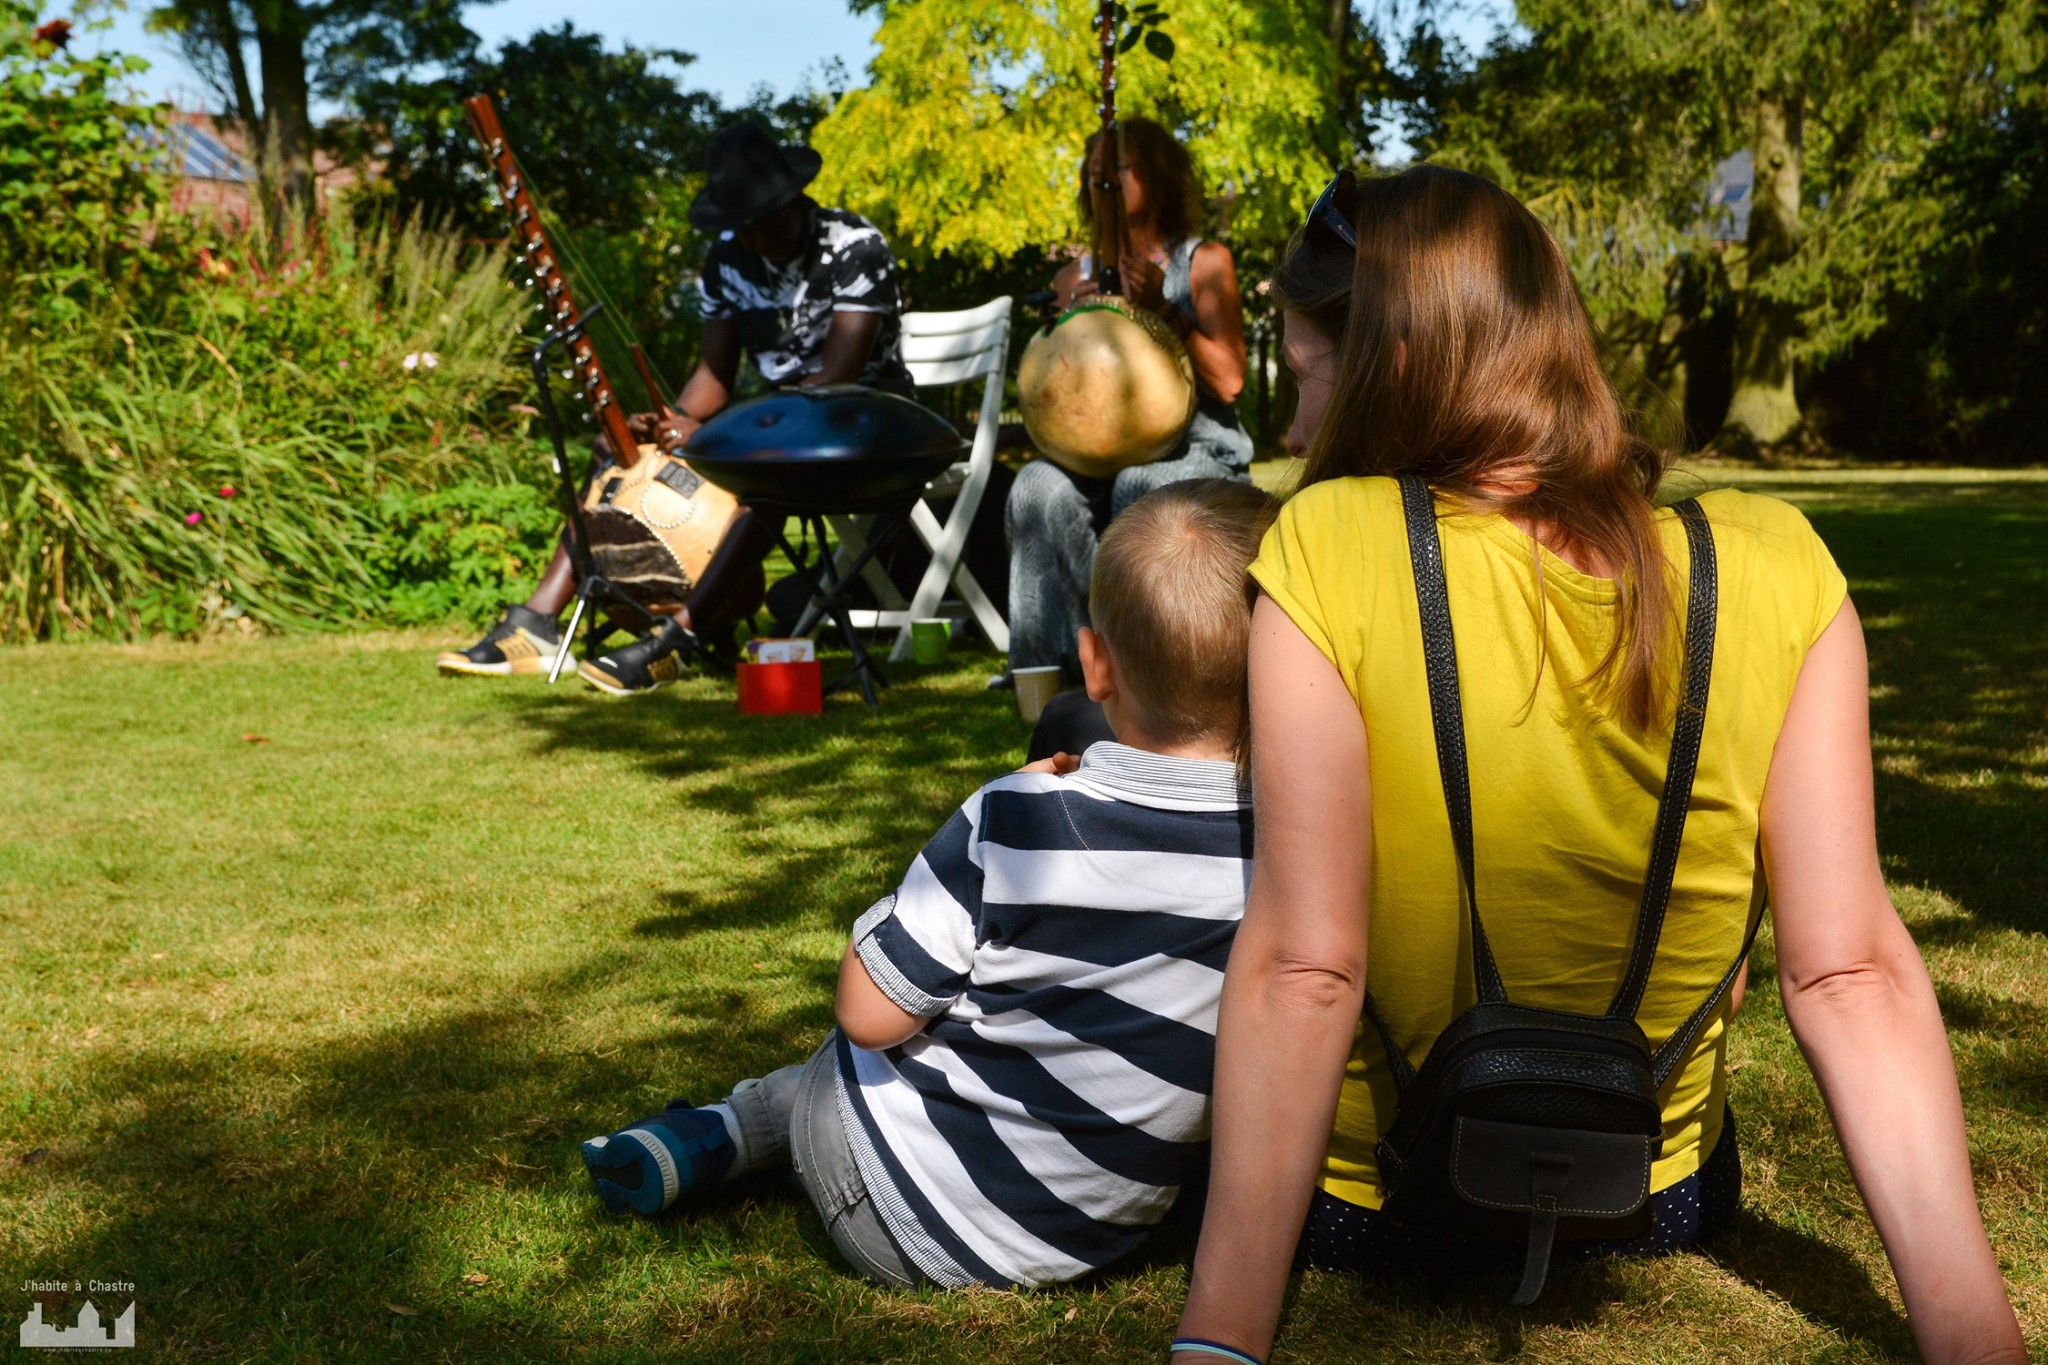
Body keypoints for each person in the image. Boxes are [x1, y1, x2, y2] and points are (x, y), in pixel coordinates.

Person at [1169, 167, 2027, 1365]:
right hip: (1653, 1197)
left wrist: (1216, 1342)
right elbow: (1848, 977)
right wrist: (1976, 1342)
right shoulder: (1773, 564)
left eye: (1309, 379)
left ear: (1389, 367)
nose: (1296, 431)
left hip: (1381, 1207)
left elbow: (1306, 967)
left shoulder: (1329, 545)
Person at [580, 479, 1277, 1288]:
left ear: (1093, 664)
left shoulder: (1019, 819)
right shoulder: (1292, 854)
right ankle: (744, 1128)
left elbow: (869, 1014)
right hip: (1086, 1237)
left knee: (862, 1039)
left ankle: (740, 1126)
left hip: (893, 1217)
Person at [435, 122, 914, 694]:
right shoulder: (729, 258)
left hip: (864, 428)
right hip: (776, 426)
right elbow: (714, 376)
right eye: (744, 224)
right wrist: (674, 421)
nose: (757, 238)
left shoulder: (855, 246)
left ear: (794, 198)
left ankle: (678, 638)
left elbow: (837, 377)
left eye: (767, 220)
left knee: (766, 481)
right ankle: (539, 622)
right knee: (614, 450)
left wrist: (726, 430)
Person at [1005, 117, 1253, 685]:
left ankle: (1146, 671)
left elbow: (1232, 380)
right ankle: (1048, 678)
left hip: (1195, 449)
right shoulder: (1074, 276)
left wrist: (1161, 308)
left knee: (1139, 485)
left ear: (1158, 177)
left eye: (1117, 170)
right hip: (1090, 460)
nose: (1104, 184)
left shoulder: (1205, 262)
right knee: (1033, 487)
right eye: (1094, 174)